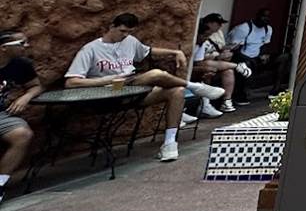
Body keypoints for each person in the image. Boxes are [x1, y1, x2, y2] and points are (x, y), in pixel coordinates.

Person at [65, 13, 222, 161]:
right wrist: (107, 80)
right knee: (155, 74)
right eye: (122, 31)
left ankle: (169, 143)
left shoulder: (130, 41)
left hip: (134, 90)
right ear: (111, 26)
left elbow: (148, 51)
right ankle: (194, 87)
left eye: (129, 32)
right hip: (110, 93)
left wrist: (175, 52)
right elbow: (71, 82)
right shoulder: (91, 49)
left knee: (177, 92)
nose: (125, 35)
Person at [0, 30, 42, 206]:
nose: (27, 46)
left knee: (22, 135)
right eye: (21, 44)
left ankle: (0, 183)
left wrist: (25, 97)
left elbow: (36, 86)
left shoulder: (21, 64)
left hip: (2, 114)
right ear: (3, 48)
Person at [190, 15, 250, 115]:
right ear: (210, 23)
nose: (220, 26)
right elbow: (200, 61)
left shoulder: (214, 35)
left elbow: (200, 59)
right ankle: (204, 104)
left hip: (214, 62)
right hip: (197, 66)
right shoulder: (196, 37)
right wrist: (215, 57)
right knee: (208, 68)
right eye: (218, 23)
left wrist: (226, 52)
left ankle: (226, 102)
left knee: (227, 71)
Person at [225, 8, 276, 99]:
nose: (265, 19)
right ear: (257, 16)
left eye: (268, 17)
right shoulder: (244, 28)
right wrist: (250, 59)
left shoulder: (268, 29)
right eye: (263, 16)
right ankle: (239, 94)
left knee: (284, 58)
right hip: (242, 57)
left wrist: (264, 55)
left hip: (257, 58)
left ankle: (276, 90)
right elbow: (234, 49)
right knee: (246, 64)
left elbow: (264, 45)